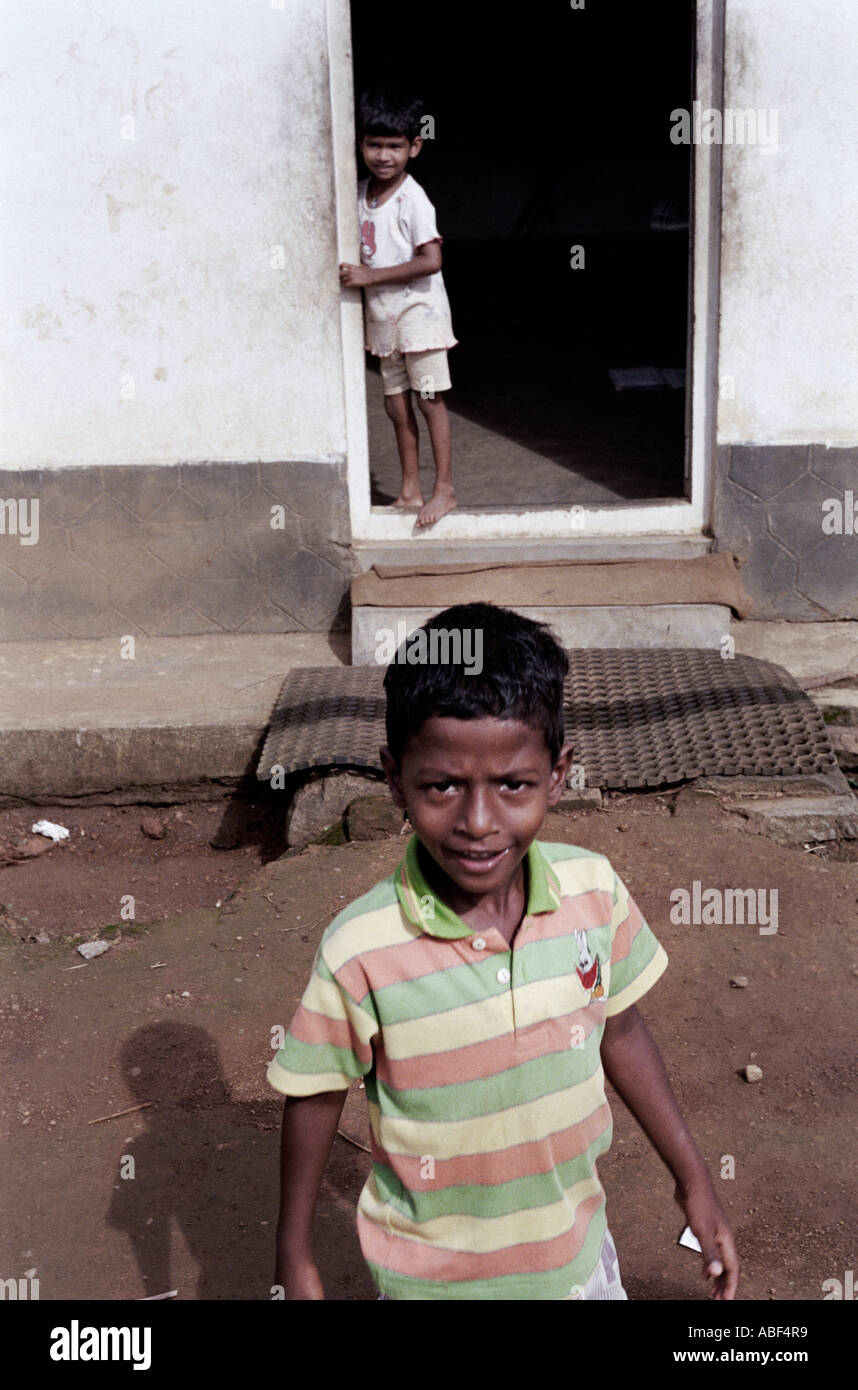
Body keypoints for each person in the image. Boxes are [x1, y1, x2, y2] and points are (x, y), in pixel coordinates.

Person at [269, 602, 740, 1300]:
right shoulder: (361, 949)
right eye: (442, 787)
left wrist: (695, 1181)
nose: (479, 823)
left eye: (513, 785)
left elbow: (621, 1028)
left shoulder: (593, 892)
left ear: (558, 774)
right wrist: (293, 1251)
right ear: (395, 779)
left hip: (576, 1267)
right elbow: (316, 1094)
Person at [339, 90, 457, 528]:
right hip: (385, 321)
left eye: (394, 146)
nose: (383, 156)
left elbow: (431, 260)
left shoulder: (413, 199)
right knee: (396, 406)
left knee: (429, 400)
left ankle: (443, 488)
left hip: (420, 319)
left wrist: (370, 276)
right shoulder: (359, 194)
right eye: (374, 145)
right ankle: (410, 491)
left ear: (415, 147)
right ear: (361, 144)